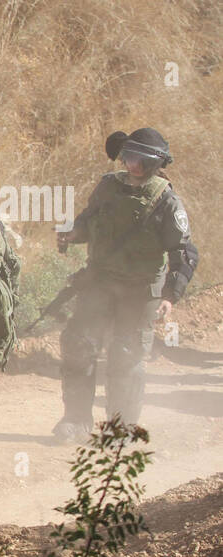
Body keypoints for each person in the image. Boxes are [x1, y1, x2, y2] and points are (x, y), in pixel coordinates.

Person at [54, 128, 197, 441]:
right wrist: (73, 234)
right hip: (100, 281)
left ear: (155, 163)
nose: (132, 165)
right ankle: (76, 421)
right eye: (129, 157)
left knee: (125, 356)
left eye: (141, 160)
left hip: (140, 289)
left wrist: (170, 296)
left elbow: (184, 254)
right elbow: (89, 221)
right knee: (78, 346)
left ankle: (120, 430)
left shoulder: (167, 201)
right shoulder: (108, 186)